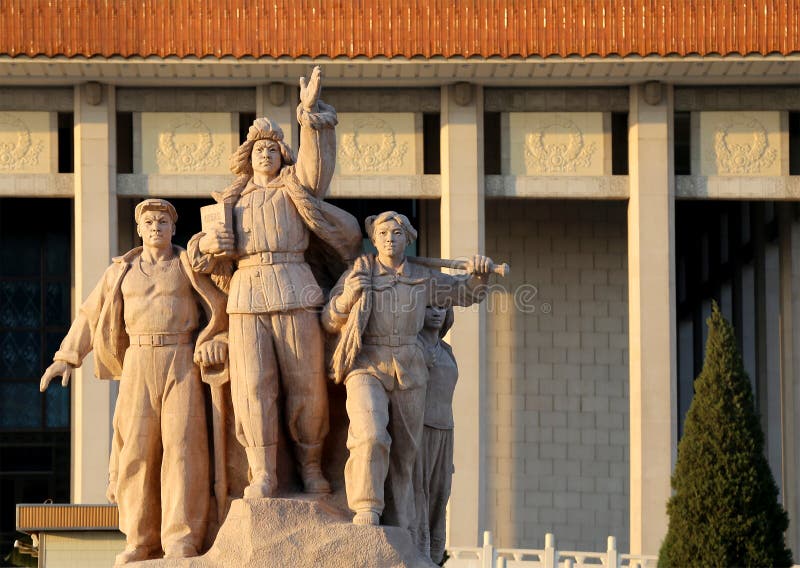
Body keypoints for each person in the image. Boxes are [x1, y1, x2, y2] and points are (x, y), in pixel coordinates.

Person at [188, 66, 361, 498]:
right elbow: (197, 256)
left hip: (295, 288)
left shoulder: (295, 189)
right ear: (247, 157)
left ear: (283, 155)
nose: (265, 154)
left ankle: (312, 466)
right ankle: (261, 472)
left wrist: (308, 113)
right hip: (246, 296)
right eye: (258, 149)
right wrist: (212, 243)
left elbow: (317, 166)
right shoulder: (230, 202)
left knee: (307, 385)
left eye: (272, 148)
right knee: (253, 388)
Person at [40, 199, 229, 564]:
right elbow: (90, 315)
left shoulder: (188, 264)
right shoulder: (120, 272)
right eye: (149, 221)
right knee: (136, 453)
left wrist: (217, 339)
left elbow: (220, 304)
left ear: (174, 229)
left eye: (163, 221)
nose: (156, 226)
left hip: (181, 358)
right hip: (137, 362)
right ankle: (140, 540)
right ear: (139, 229)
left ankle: (181, 540)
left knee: (183, 451)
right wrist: (66, 357)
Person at [321, 211, 493, 530]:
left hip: (410, 367)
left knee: (406, 456)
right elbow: (328, 320)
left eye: (397, 233)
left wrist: (479, 275)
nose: (390, 238)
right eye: (384, 233)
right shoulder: (360, 272)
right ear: (374, 240)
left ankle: (402, 526)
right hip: (367, 362)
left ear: (407, 239)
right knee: (370, 435)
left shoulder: (423, 278)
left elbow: (465, 293)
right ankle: (366, 508)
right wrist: (347, 298)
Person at [413, 305, 457, 564]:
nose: (437, 312)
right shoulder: (415, 347)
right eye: (430, 306)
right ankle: (418, 554)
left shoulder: (447, 350)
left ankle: (434, 558)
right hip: (421, 429)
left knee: (441, 496)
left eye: (442, 307)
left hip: (445, 430)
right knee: (421, 494)